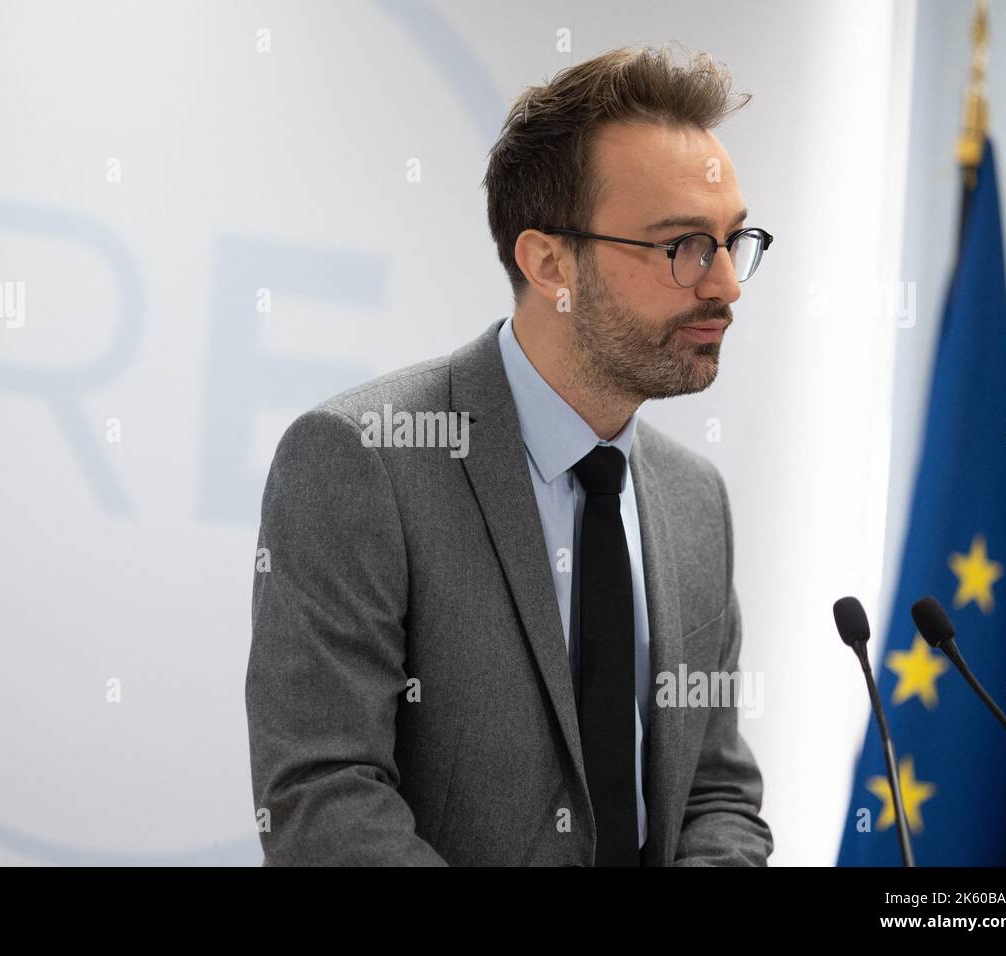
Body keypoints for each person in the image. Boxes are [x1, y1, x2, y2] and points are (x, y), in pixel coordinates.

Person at [245, 44, 774, 866]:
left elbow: (718, 792)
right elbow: (321, 797)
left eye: (733, 241)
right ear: (548, 263)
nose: (725, 286)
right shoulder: (362, 459)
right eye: (682, 247)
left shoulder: (695, 497)